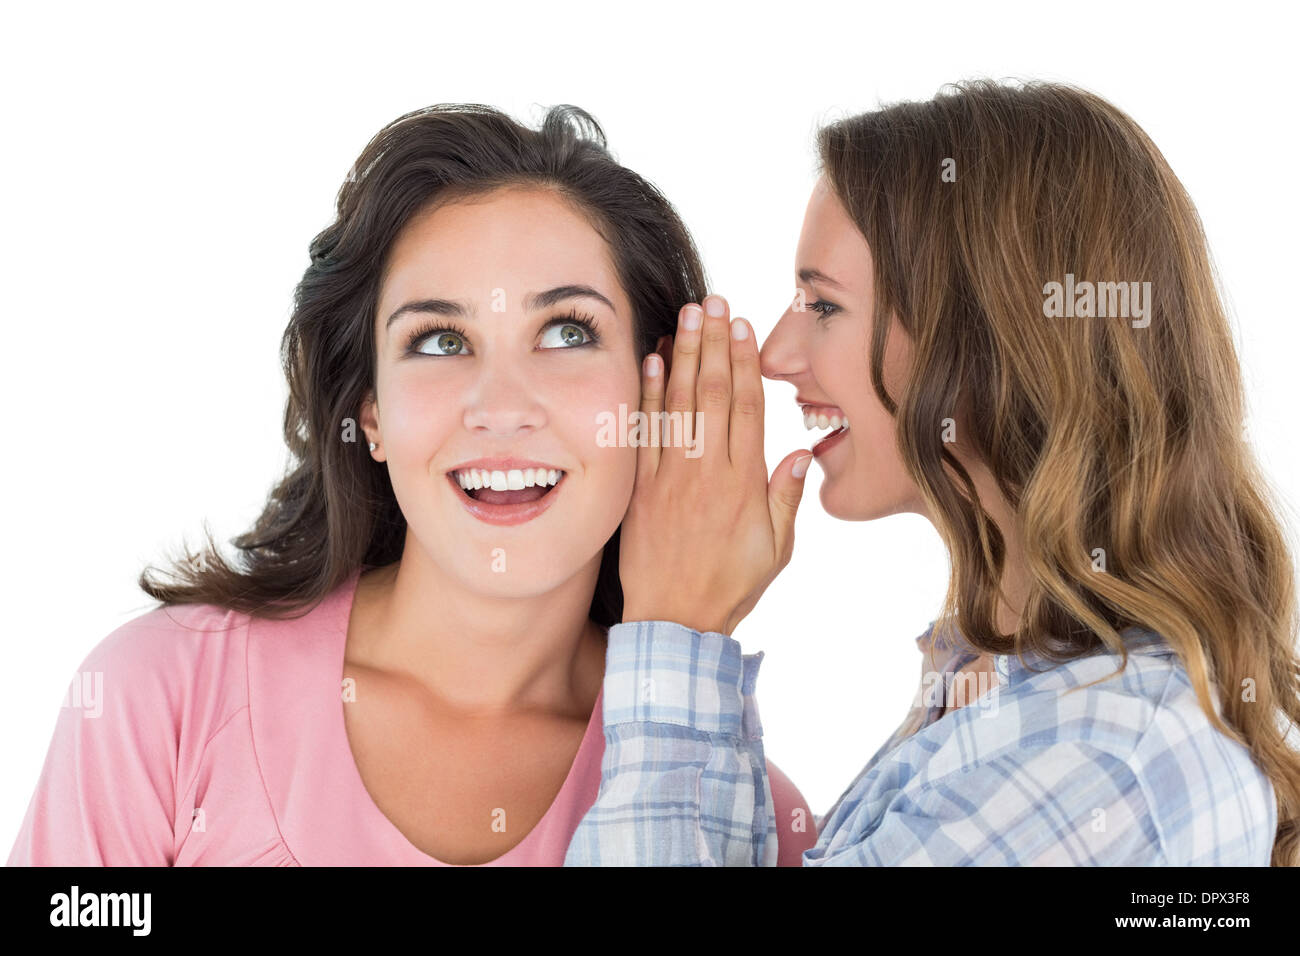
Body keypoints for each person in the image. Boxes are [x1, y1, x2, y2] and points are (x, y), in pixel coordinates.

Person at [6, 103, 817, 867]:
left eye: (567, 332)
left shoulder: (740, 811)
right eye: (438, 342)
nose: (501, 408)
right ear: (374, 412)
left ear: (660, 396)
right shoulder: (157, 699)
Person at [565, 79, 1299, 866]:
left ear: (990, 345)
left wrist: (678, 632)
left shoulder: (1101, 759)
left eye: (823, 305)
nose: (776, 354)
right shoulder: (1015, 678)